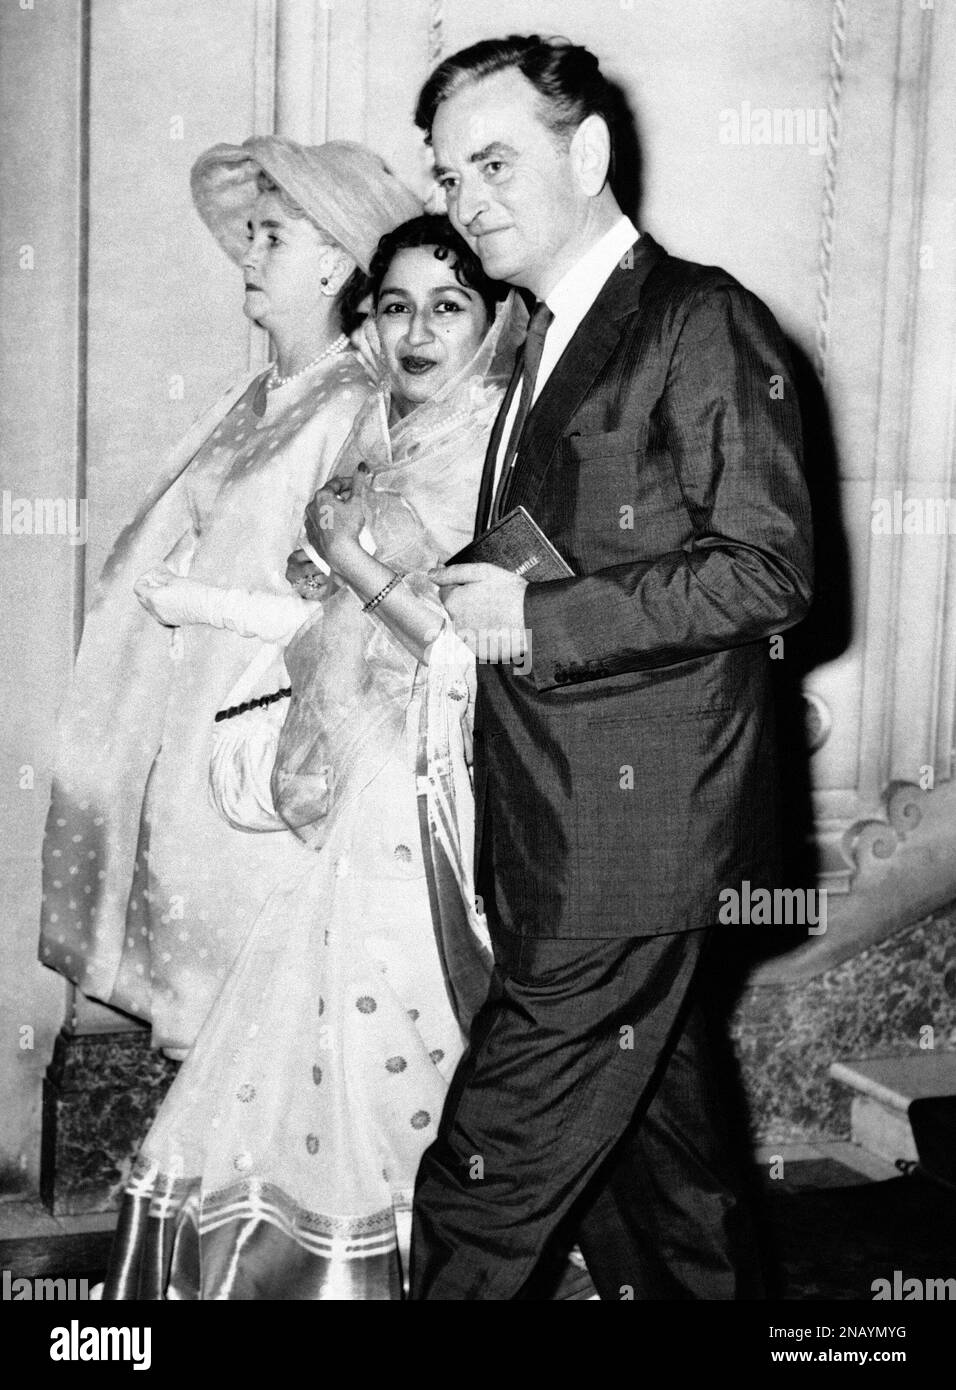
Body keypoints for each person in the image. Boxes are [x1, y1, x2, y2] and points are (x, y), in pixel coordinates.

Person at [407, 34, 815, 1300]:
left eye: (493, 163)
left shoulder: (697, 318)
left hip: (631, 842)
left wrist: (541, 620)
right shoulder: (540, 335)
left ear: (584, 152)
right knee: (667, 1178)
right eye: (447, 176)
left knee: (478, 1183)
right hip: (567, 822)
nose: (466, 202)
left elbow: (768, 570)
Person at [101, 215, 523, 1300]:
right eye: (395, 305)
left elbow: (476, 646)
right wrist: (247, 594)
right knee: (317, 1031)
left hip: (434, 786)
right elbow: (322, 618)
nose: (418, 330)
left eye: (448, 305)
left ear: (493, 316)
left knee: (382, 1027)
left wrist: (342, 558)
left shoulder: (500, 445)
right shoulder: (387, 429)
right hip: (359, 775)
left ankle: (383, 1271)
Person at [39, 138, 420, 1056]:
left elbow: (354, 616)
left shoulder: (356, 407)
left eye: (272, 237)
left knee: (248, 1040)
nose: (248, 256)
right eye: (249, 235)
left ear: (335, 260)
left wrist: (205, 609)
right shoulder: (256, 394)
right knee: (193, 1035)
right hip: (184, 747)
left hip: (264, 761)